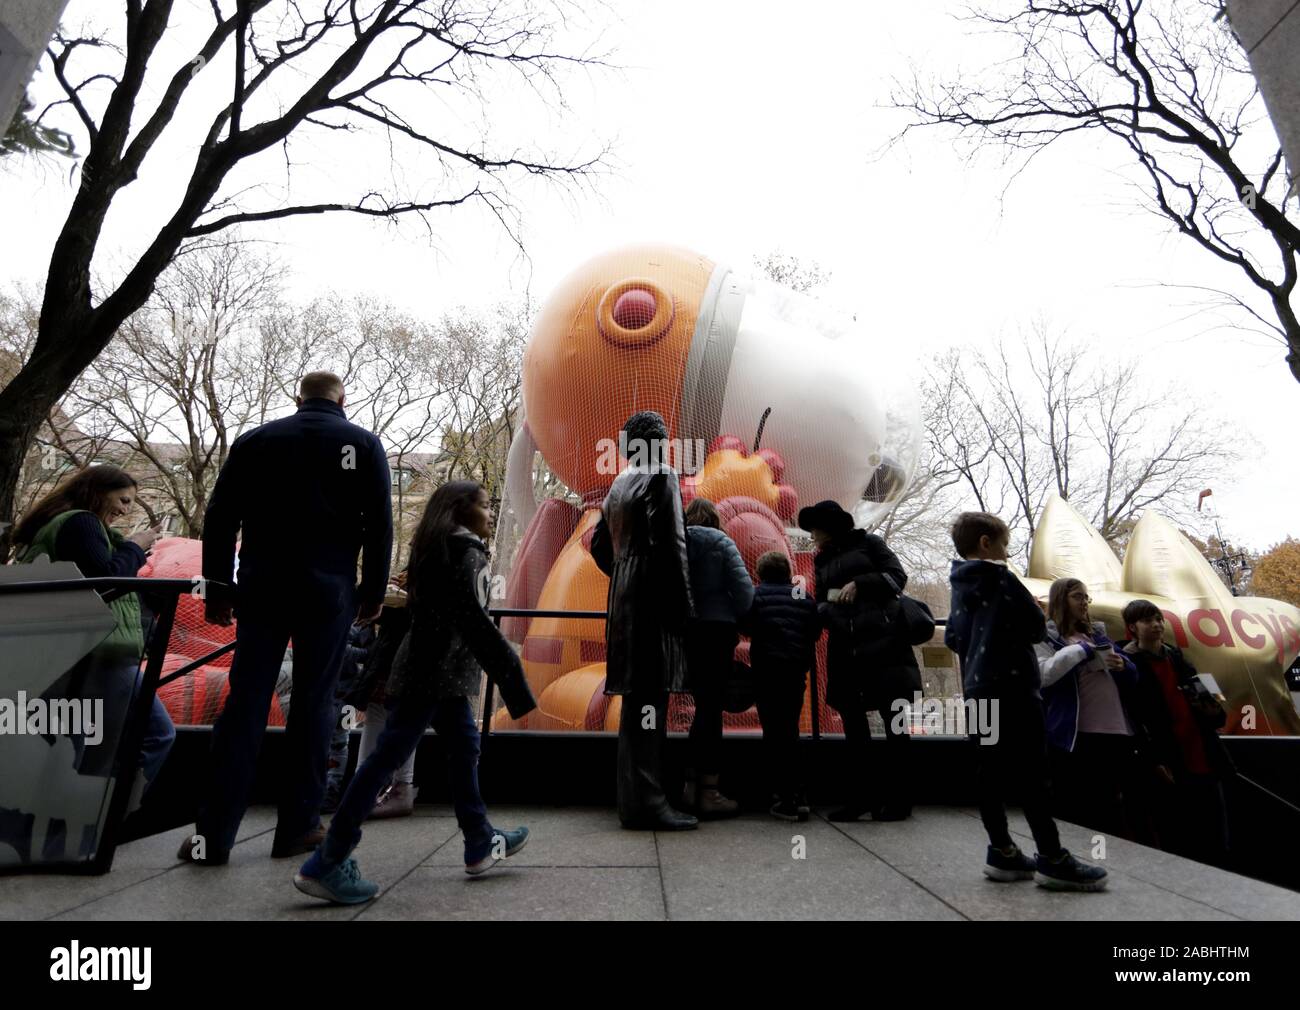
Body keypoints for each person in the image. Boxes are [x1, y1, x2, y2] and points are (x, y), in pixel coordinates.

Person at [182, 371, 393, 865]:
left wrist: (217, 586)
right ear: (344, 398)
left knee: (245, 704)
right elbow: (379, 525)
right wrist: (373, 592)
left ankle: (212, 835)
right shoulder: (363, 445)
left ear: (298, 398)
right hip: (329, 592)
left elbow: (220, 517)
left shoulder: (256, 441)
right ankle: (298, 826)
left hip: (263, 587)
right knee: (316, 704)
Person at [294, 481, 537, 904]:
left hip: (430, 672)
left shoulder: (433, 548)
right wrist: (515, 680)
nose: (491, 513)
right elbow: (476, 624)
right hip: (437, 676)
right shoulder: (468, 554)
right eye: (484, 506)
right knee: (385, 760)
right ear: (462, 511)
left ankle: (479, 841)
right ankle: (328, 860)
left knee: (461, 749)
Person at [945, 512, 1107, 891]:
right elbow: (1036, 628)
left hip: (978, 690)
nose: (1006, 550)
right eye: (1003, 543)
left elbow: (953, 637)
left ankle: (1001, 850)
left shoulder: (958, 583)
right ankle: (1052, 857)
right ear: (986, 543)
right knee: (1033, 773)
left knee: (989, 771)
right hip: (1014, 690)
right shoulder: (1002, 578)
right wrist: (1032, 608)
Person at [12, 465, 175, 807]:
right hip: (100, 653)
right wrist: (133, 547)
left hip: (66, 654)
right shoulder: (82, 522)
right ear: (97, 491)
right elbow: (104, 582)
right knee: (157, 733)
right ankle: (103, 819)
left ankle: (60, 831)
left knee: (74, 743)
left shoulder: (56, 526)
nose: (125, 510)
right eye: (123, 500)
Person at [590, 410, 698, 831]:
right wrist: (685, 610)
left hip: (625, 604)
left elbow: (600, 546)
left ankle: (634, 801)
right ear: (661, 441)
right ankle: (649, 803)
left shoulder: (618, 484)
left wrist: (624, 571)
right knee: (651, 702)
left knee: (637, 705)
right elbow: (673, 545)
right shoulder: (662, 476)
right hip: (654, 604)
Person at [798, 499, 916, 822]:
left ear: (829, 527)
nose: (812, 536)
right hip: (847, 648)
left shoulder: (871, 544)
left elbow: (897, 577)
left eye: (815, 529)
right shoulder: (821, 561)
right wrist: (826, 611)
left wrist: (859, 584)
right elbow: (823, 599)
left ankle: (898, 800)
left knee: (895, 725)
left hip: (884, 647)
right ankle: (862, 798)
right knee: (854, 727)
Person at [1037, 577, 1157, 845]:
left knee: (1123, 806)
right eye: (1078, 597)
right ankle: (1096, 860)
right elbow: (1042, 674)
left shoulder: (1097, 634)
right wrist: (1079, 651)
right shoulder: (1047, 637)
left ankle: (1134, 866)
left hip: (1120, 732)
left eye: (1086, 597)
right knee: (1090, 806)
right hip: (1079, 735)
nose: (1084, 603)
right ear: (1060, 600)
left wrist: (1123, 666)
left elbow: (1132, 674)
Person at [1120, 599, 1233, 867]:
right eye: (1148, 620)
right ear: (1132, 627)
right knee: (1179, 837)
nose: (1157, 625)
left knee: (1216, 834)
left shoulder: (1179, 658)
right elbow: (1132, 719)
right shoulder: (1129, 664)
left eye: (1159, 619)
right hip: (1169, 761)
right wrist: (1152, 760)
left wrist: (1211, 710)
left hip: (1203, 754)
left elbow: (1215, 709)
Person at [681, 497, 753, 818]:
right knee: (711, 711)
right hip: (718, 633)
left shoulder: (677, 543)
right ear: (714, 519)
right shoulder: (721, 542)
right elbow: (745, 593)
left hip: (687, 633)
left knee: (701, 707)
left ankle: (690, 787)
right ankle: (709, 790)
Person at [743, 550, 821, 822]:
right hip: (794, 670)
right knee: (790, 729)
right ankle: (798, 795)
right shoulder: (801, 595)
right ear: (787, 572)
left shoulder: (756, 594)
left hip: (766, 670)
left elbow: (746, 625)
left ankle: (782, 797)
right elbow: (814, 629)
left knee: (773, 731)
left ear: (760, 573)